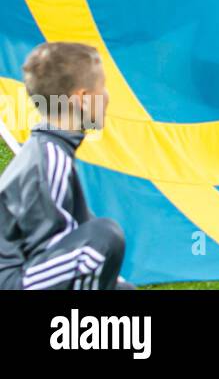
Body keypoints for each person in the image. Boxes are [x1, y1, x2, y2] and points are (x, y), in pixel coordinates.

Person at [0, 42, 128, 290]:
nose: (107, 96)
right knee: (105, 235)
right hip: (15, 282)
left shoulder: (48, 150)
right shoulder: (49, 160)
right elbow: (51, 253)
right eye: (102, 87)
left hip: (28, 274)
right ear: (82, 98)